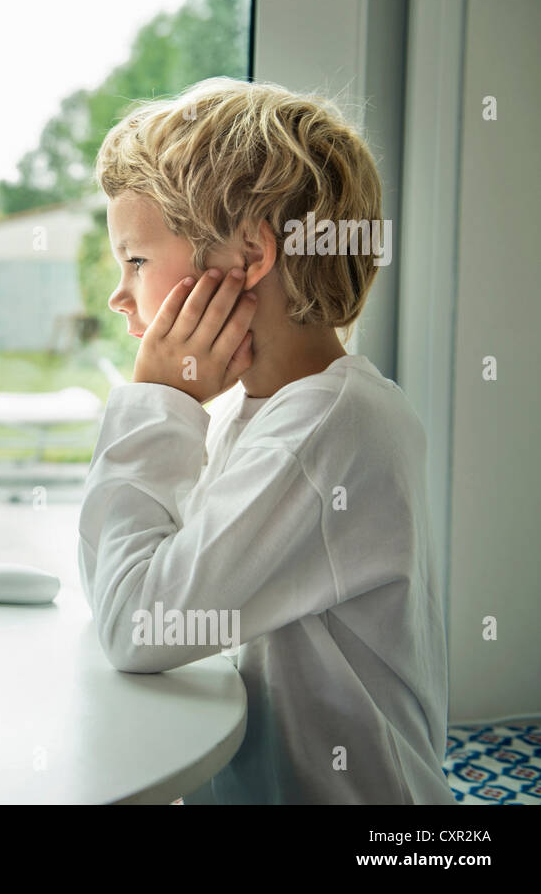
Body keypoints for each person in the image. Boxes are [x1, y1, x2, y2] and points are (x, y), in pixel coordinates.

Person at [79, 78, 454, 803]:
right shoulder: (275, 409)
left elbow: (135, 623)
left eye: (135, 259)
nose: (119, 296)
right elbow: (144, 584)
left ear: (249, 255)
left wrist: (160, 400)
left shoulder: (325, 430)